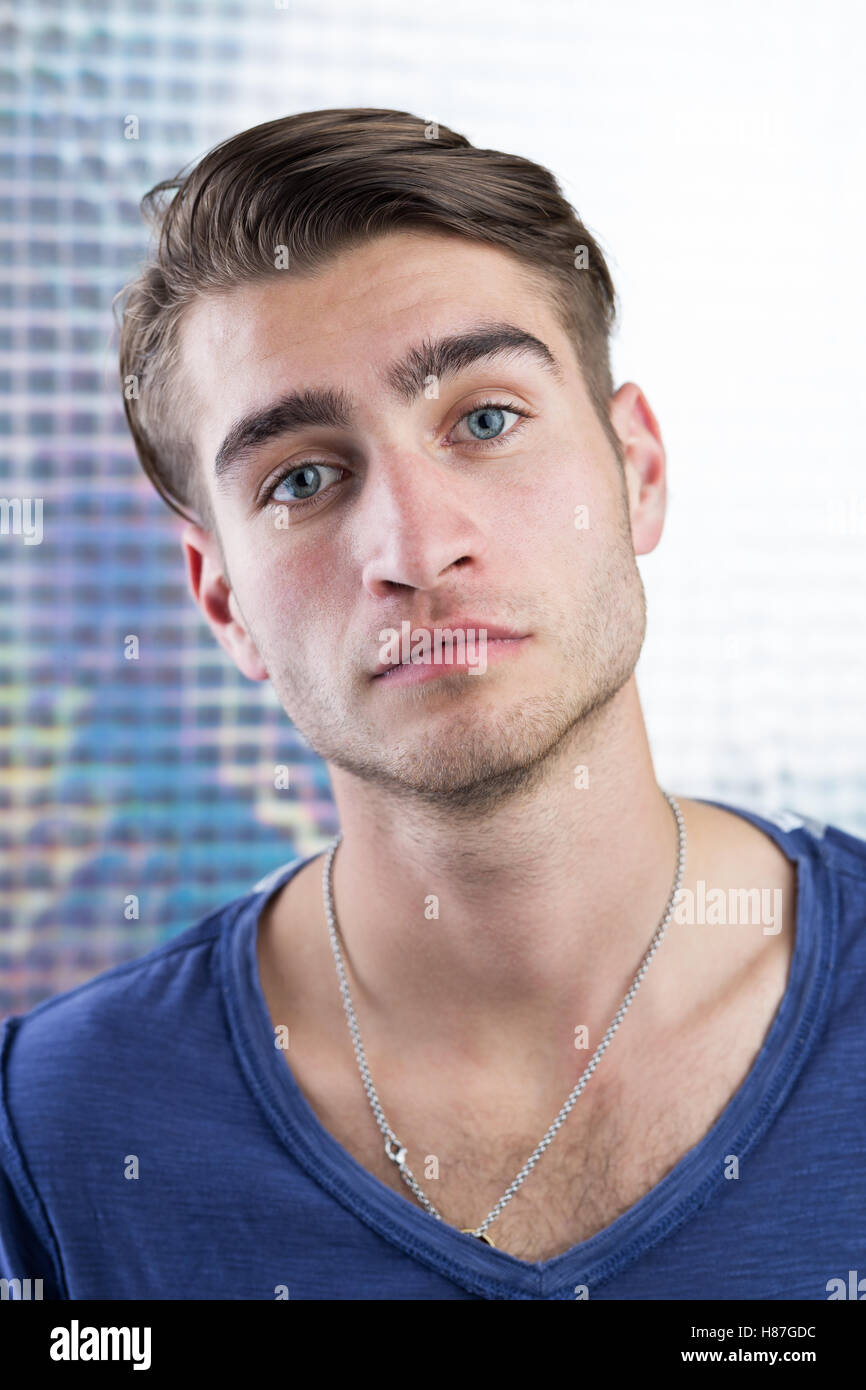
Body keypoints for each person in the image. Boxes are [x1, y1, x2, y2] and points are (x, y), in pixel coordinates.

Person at [1, 109, 863, 1302]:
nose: (414, 544)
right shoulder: (61, 1127)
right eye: (301, 476)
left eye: (485, 418)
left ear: (637, 474)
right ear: (223, 604)